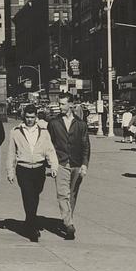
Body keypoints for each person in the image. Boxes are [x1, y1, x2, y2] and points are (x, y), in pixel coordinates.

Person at [5, 104, 58, 242]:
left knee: (35, 195)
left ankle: (29, 221)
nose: (29, 120)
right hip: (23, 168)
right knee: (28, 196)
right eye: (27, 117)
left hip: (39, 168)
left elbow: (50, 150)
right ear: (24, 116)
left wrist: (54, 166)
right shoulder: (16, 131)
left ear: (36, 117)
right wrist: (10, 171)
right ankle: (32, 228)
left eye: (32, 117)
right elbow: (11, 153)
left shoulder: (44, 131)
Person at [47, 92, 91, 241]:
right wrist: (51, 162)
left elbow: (86, 146)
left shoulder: (81, 124)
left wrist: (85, 164)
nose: (60, 107)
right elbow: (49, 144)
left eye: (63, 104)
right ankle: (69, 224)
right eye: (59, 104)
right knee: (62, 194)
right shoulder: (53, 123)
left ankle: (67, 219)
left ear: (71, 105)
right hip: (61, 163)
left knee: (72, 195)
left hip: (77, 164)